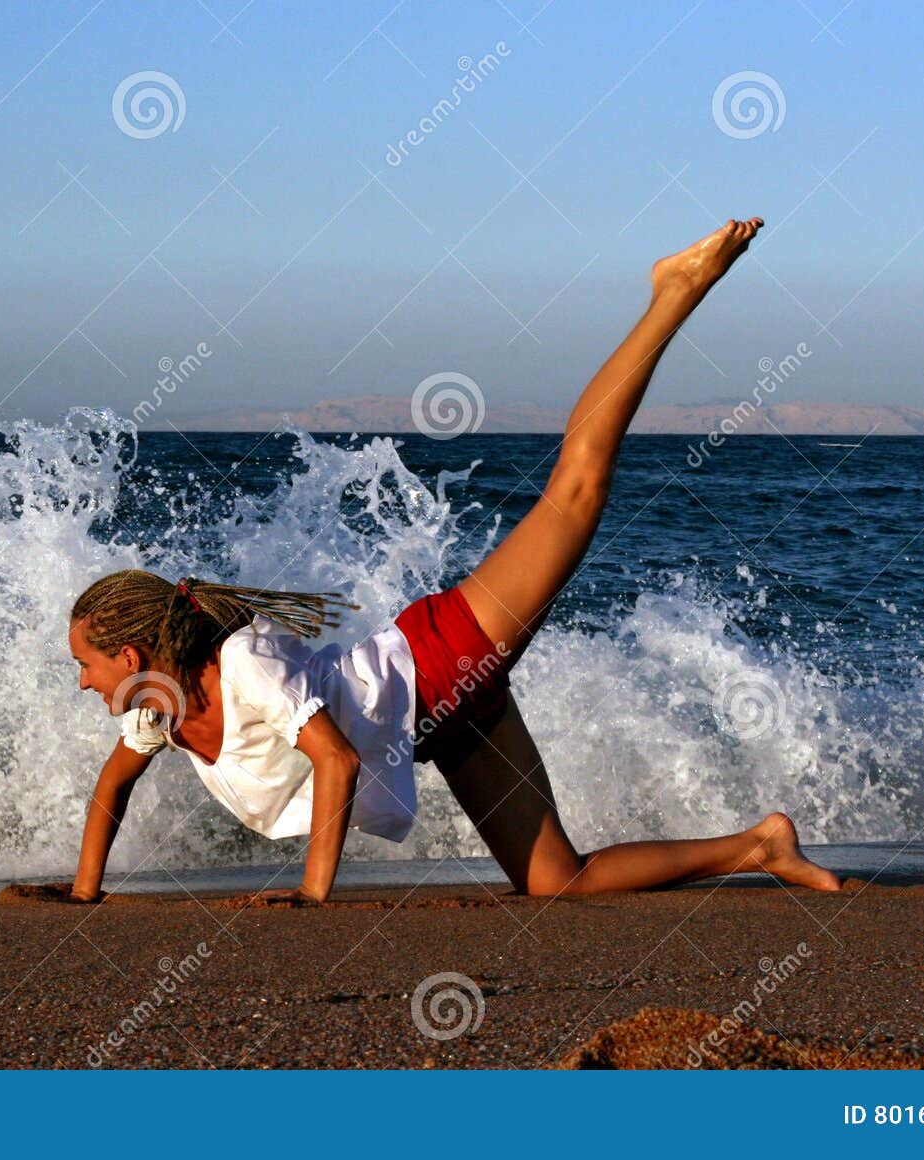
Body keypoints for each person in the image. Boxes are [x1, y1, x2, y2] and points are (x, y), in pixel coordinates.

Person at [65, 218, 841, 905]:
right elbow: (111, 789)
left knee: (574, 493)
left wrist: (311, 896)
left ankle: (673, 293)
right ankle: (758, 847)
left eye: (86, 663)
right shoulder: (156, 712)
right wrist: (81, 894)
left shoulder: (245, 664)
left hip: (439, 659)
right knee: (555, 882)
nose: (82, 680)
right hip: (442, 724)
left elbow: (334, 762)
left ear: (130, 654)